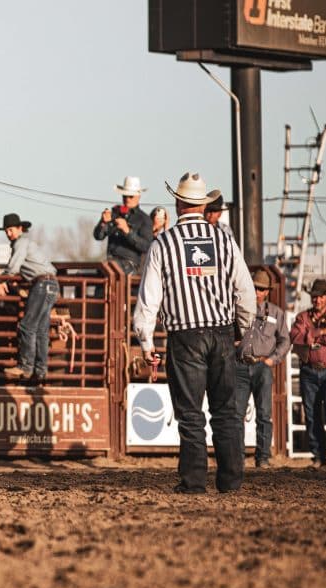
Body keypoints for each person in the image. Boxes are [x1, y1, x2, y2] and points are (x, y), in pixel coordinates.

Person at [134, 172, 256, 494]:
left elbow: (150, 297)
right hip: (221, 331)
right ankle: (230, 482)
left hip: (184, 337)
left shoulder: (163, 243)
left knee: (190, 414)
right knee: (226, 412)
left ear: (177, 203)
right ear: (203, 205)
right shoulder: (224, 240)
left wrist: (146, 341)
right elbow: (245, 291)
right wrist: (242, 330)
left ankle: (193, 482)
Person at [290, 278, 326, 469]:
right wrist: (322, 331)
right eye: (315, 296)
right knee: (311, 413)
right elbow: (296, 337)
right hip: (309, 370)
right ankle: (318, 456)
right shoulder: (303, 317)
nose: (317, 300)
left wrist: (311, 334)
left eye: (321, 296)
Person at [235, 269, 291, 468]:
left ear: (267, 291)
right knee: (236, 413)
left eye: (260, 289)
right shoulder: (238, 309)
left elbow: (285, 341)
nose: (257, 291)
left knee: (264, 413)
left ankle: (263, 457)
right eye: (254, 287)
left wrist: (272, 360)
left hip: (262, 365)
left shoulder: (277, 313)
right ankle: (237, 457)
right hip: (240, 365)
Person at [0, 213, 59, 382]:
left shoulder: (20, 243)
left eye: (11, 230)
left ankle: (25, 366)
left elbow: (13, 267)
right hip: (51, 284)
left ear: (19, 229)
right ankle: (41, 370)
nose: (8, 233)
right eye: (6, 230)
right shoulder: (28, 244)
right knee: (41, 330)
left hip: (41, 285)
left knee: (27, 326)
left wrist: (3, 280)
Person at [93, 176, 153, 275]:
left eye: (131, 196)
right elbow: (98, 236)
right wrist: (103, 222)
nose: (127, 199)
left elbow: (146, 246)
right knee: (94, 273)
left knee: (106, 270)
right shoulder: (114, 213)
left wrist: (128, 231)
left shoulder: (144, 219)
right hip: (110, 265)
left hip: (131, 266)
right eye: (124, 196)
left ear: (138, 196)